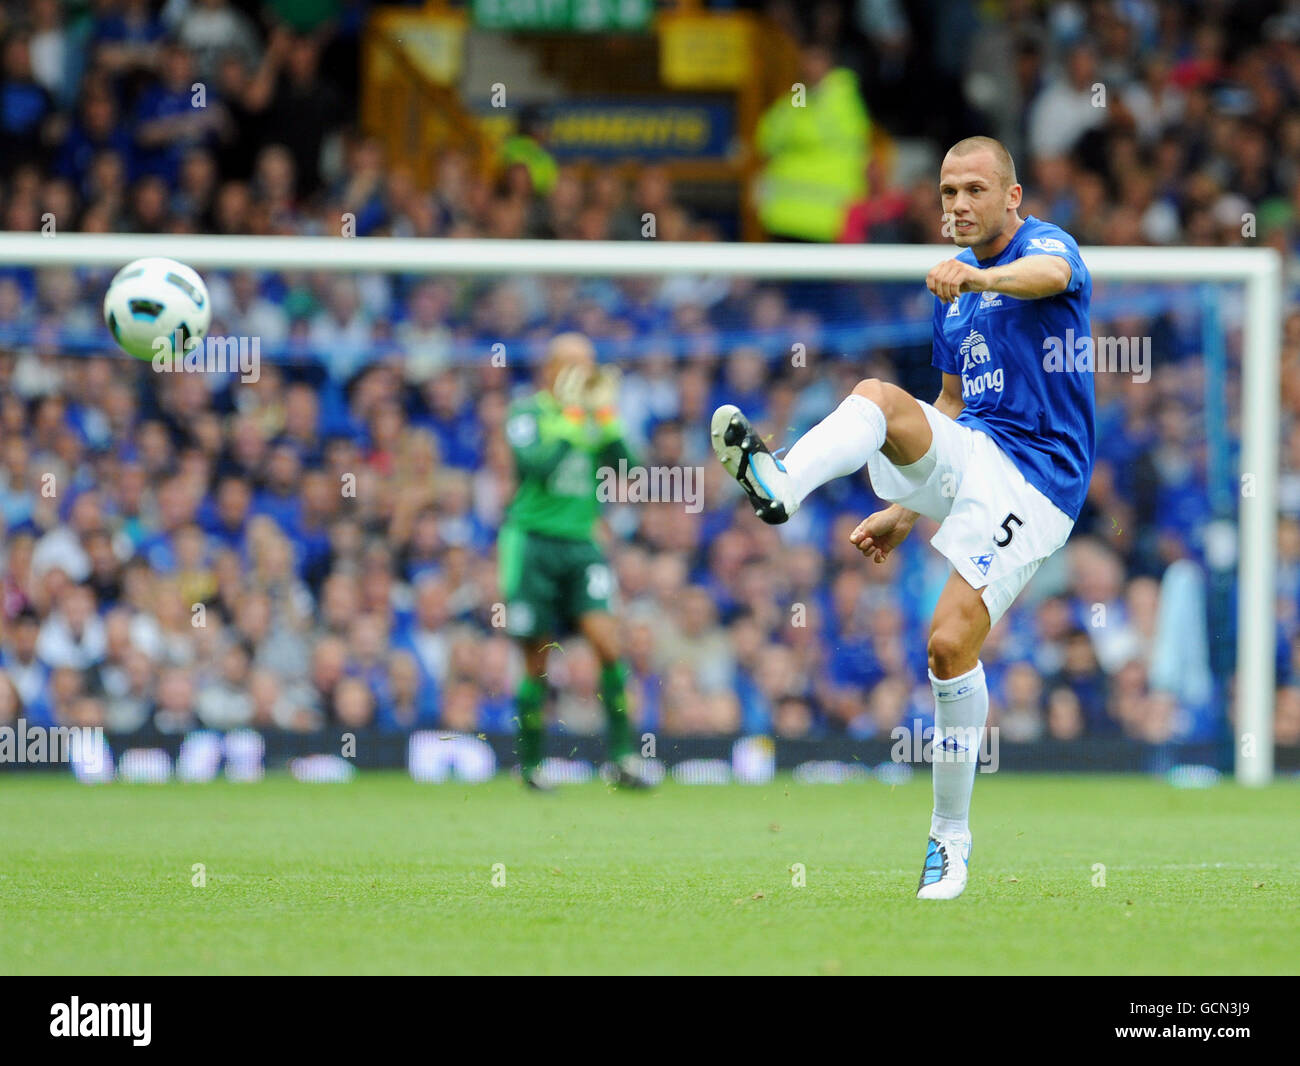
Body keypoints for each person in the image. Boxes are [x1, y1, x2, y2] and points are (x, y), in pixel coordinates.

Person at [711, 136, 1093, 899]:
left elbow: (1050, 275)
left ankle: (950, 841)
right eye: (948, 192)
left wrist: (982, 274)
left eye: (975, 190)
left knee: (948, 645)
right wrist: (902, 507)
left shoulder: (1044, 249)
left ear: (1011, 198)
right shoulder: (951, 299)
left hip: (1040, 483)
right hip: (974, 452)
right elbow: (948, 407)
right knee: (881, 397)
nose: (958, 205)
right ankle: (780, 484)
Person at [500, 333, 652, 791]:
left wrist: (609, 423)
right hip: (534, 544)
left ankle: (623, 759)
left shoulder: (588, 417)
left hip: (582, 544)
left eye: (590, 364)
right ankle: (531, 764)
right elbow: (534, 468)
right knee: (537, 659)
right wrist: (572, 422)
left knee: (609, 645)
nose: (585, 373)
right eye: (574, 364)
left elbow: (631, 472)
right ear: (551, 369)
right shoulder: (527, 413)